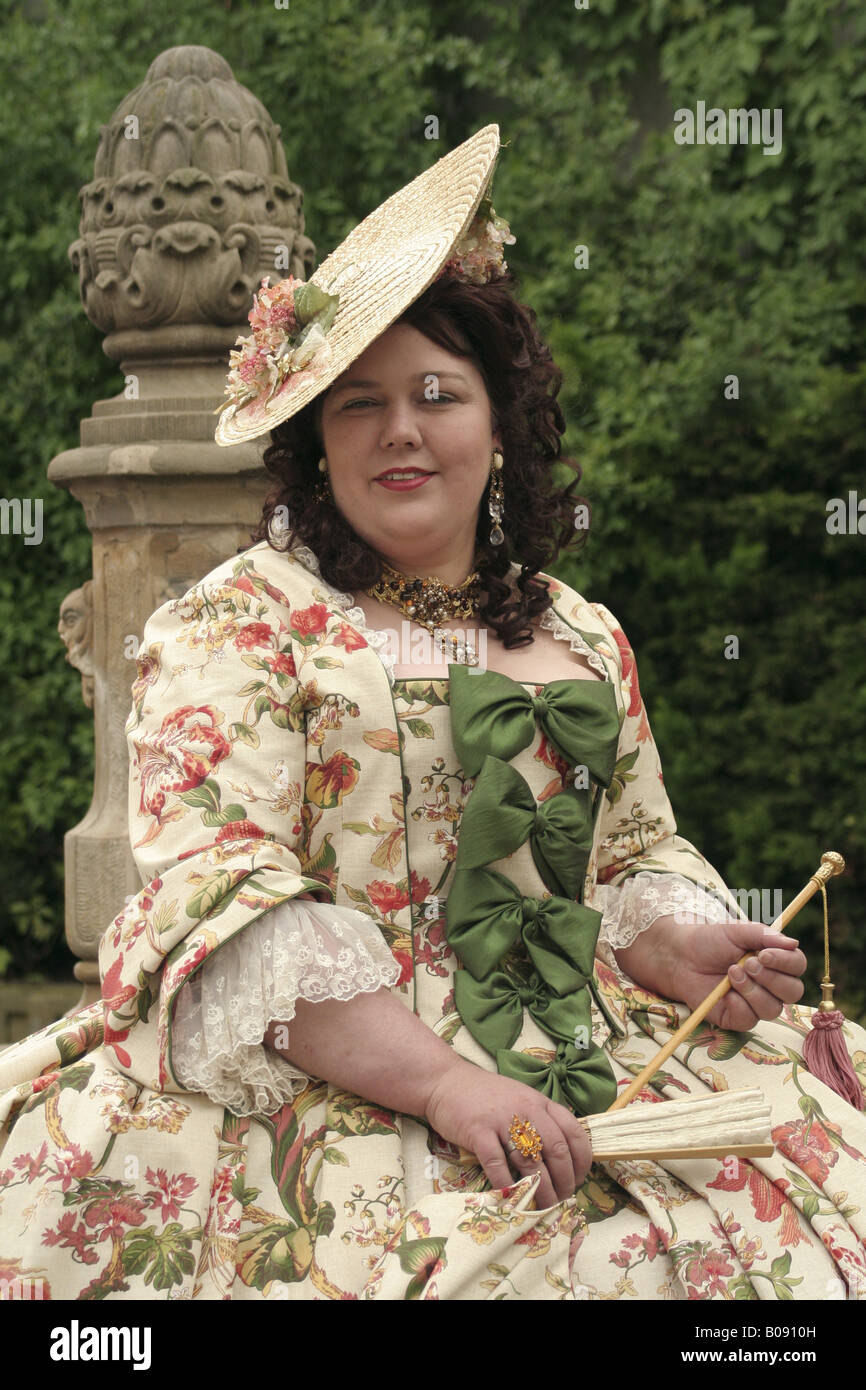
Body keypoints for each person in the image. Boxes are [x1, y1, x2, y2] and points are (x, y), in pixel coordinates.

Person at [1, 125, 864, 1302]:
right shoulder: (235, 625)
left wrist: (677, 942)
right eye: (356, 404)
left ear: (498, 427)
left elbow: (627, 856)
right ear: (314, 443)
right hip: (329, 1076)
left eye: (435, 394)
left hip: (588, 1053)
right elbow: (228, 907)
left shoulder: (577, 631)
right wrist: (450, 1086)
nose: (399, 429)